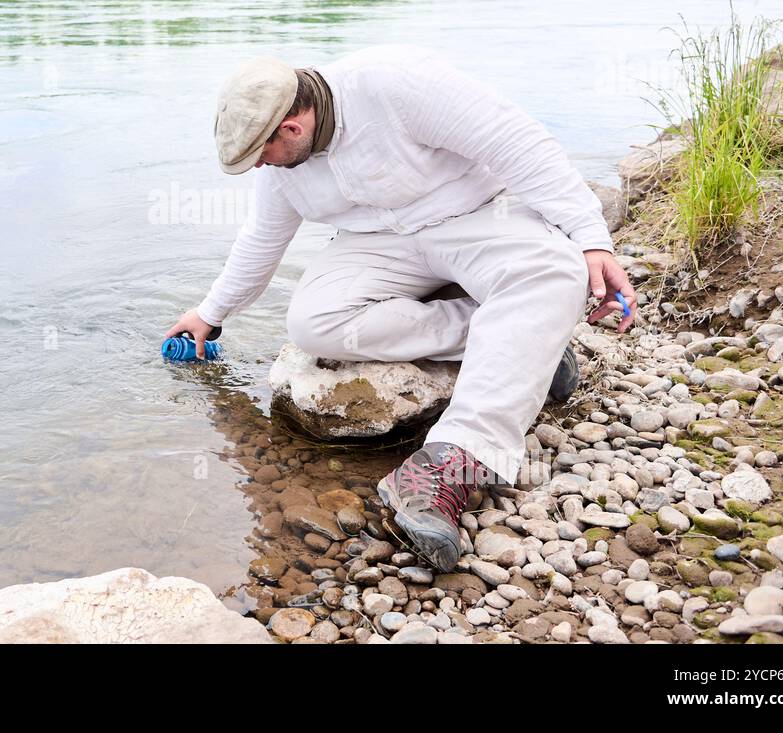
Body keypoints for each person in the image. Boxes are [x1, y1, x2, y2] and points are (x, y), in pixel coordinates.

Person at [164, 45, 638, 572]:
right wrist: (210, 313)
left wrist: (593, 239)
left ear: (290, 129)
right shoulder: (282, 167)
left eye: (259, 154)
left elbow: (518, 145)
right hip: (379, 244)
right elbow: (261, 242)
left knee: (557, 273)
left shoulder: (394, 84)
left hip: (479, 215)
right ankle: (518, 340)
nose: (258, 167)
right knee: (313, 322)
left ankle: (447, 467)